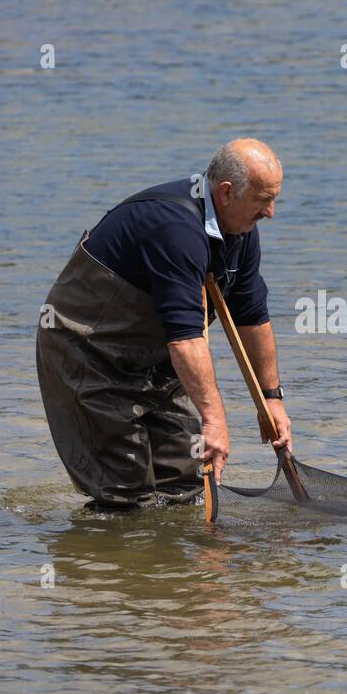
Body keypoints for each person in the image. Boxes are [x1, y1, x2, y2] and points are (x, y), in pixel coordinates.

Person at [36, 138, 292, 507]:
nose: (270, 212)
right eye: (263, 199)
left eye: (274, 199)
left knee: (185, 478)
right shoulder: (174, 227)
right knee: (125, 492)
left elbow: (251, 317)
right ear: (226, 193)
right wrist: (215, 420)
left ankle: (172, 562)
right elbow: (186, 339)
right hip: (88, 354)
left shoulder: (240, 231)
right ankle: (104, 557)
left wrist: (271, 400)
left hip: (155, 360)